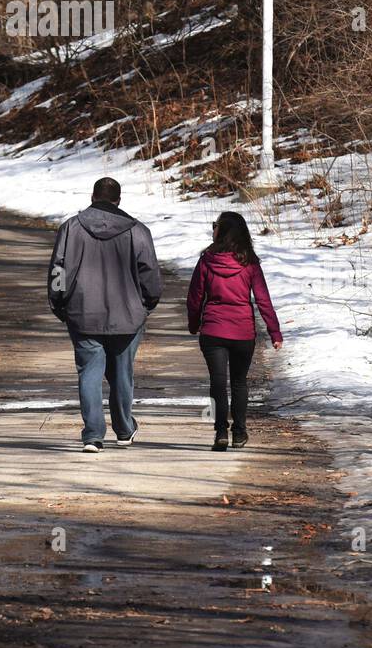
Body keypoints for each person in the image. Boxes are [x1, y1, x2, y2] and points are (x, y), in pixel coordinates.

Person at [48, 178, 162, 452]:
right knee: (123, 373)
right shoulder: (137, 231)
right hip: (128, 315)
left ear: (92, 196)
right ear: (118, 200)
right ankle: (124, 429)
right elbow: (151, 276)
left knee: (89, 372)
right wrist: (146, 304)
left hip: (83, 313)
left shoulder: (71, 228)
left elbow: (58, 270)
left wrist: (59, 302)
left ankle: (93, 435)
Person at [186, 211, 282, 452]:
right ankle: (239, 432)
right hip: (243, 332)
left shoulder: (207, 260)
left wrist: (194, 322)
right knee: (239, 383)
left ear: (221, 231)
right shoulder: (249, 262)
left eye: (215, 225)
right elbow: (263, 300)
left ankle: (220, 431)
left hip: (214, 330)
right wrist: (274, 332)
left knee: (217, 382)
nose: (213, 229)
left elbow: (195, 296)